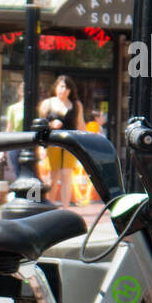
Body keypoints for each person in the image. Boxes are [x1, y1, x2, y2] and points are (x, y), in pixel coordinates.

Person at [39, 75, 84, 207]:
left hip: (70, 143)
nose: (63, 90)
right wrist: (51, 124)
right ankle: (51, 206)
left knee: (66, 176)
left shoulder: (76, 105)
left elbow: (80, 124)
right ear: (55, 88)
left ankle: (65, 208)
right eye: (60, 86)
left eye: (65, 87)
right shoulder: (47, 103)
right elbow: (40, 125)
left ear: (70, 90)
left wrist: (87, 140)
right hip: (53, 143)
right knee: (53, 177)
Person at [0, 80, 25, 182]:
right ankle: (21, 195)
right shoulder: (13, 109)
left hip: (30, 144)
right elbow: (9, 129)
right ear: (19, 92)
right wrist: (2, 150)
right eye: (23, 90)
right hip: (16, 143)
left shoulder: (36, 109)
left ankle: (32, 196)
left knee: (31, 173)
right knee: (17, 172)